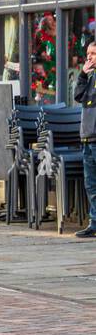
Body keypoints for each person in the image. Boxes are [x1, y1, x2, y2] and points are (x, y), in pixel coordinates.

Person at [74, 41, 96, 239]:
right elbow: (77, 95)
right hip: (87, 138)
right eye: (88, 53)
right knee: (90, 184)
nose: (89, 57)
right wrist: (82, 74)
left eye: (94, 54)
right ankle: (94, 223)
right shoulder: (88, 77)